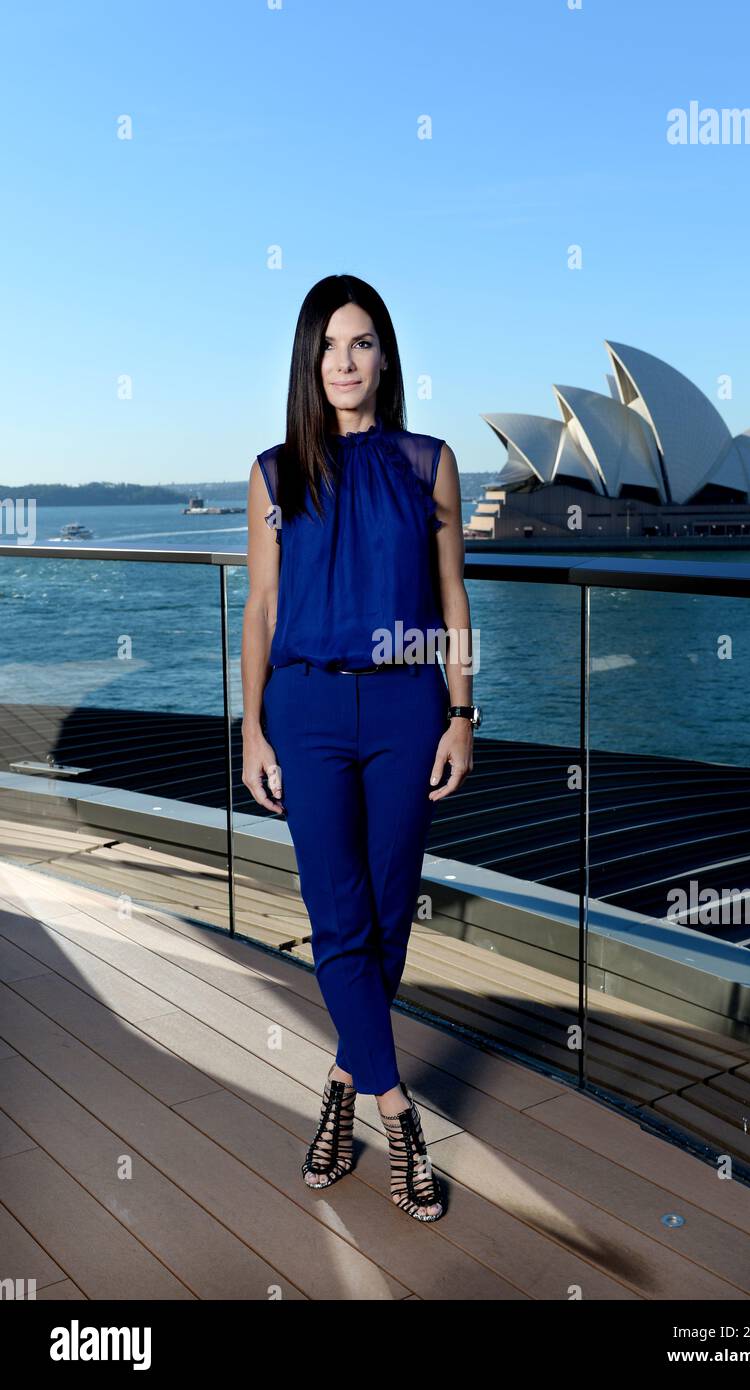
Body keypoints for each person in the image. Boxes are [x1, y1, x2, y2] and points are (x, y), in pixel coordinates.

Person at [240, 274, 479, 1224]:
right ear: (310, 361)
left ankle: (343, 1086)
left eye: (363, 343)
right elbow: (262, 608)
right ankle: (397, 1113)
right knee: (337, 916)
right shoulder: (275, 473)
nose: (346, 362)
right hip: (303, 709)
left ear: (385, 357)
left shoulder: (430, 464)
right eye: (330, 346)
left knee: (386, 915)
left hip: (407, 708)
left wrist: (462, 714)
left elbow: (453, 599)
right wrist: (252, 727)